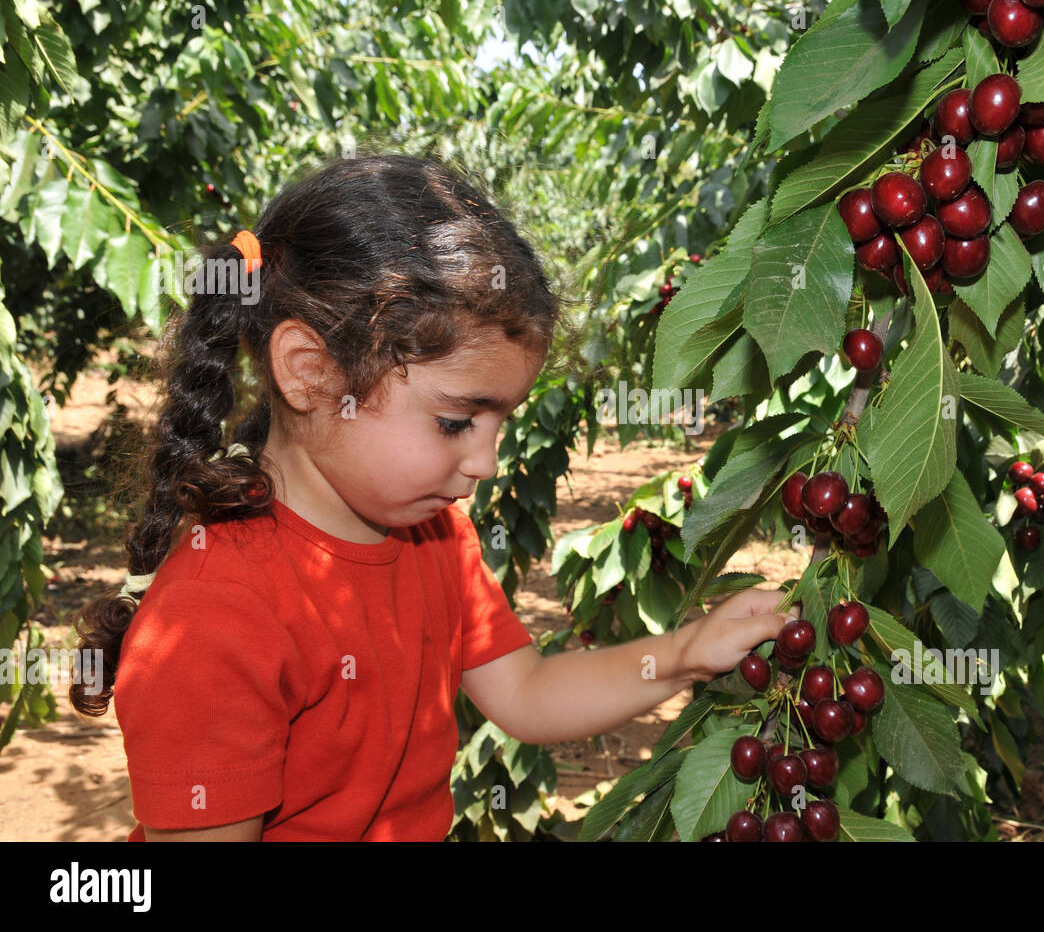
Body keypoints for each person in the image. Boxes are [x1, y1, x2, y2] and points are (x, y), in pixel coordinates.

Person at [68, 154, 796, 841]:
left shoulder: (435, 537)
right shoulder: (218, 614)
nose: (484, 461)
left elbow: (528, 690)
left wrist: (683, 654)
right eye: (456, 421)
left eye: (500, 421)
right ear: (309, 373)